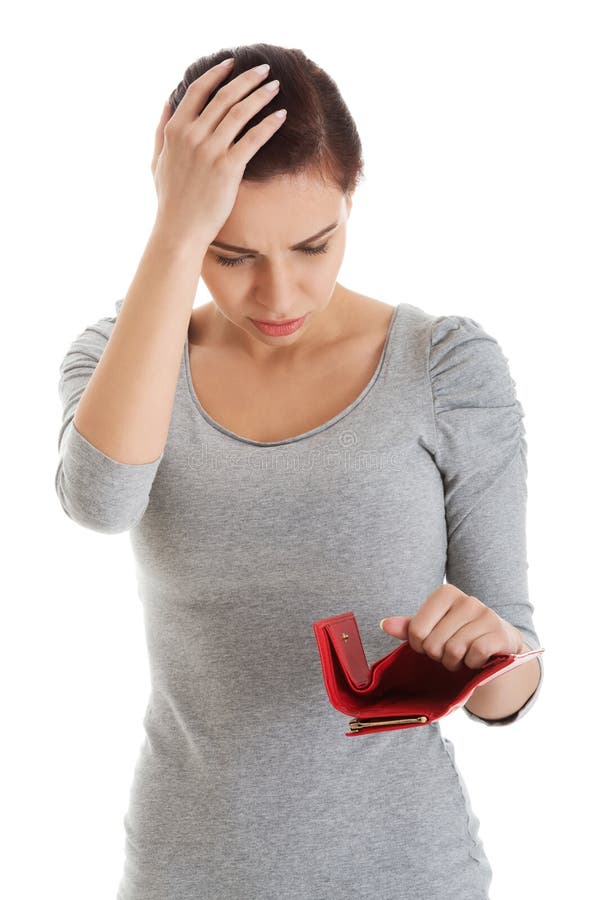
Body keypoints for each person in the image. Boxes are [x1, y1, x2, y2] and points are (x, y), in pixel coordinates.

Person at [54, 42, 544, 900]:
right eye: (231, 254)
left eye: (313, 245)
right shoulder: (120, 360)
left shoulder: (444, 368)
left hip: (406, 872)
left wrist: (491, 656)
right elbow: (99, 501)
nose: (278, 297)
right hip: (185, 869)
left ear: (352, 193)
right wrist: (175, 228)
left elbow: (507, 682)